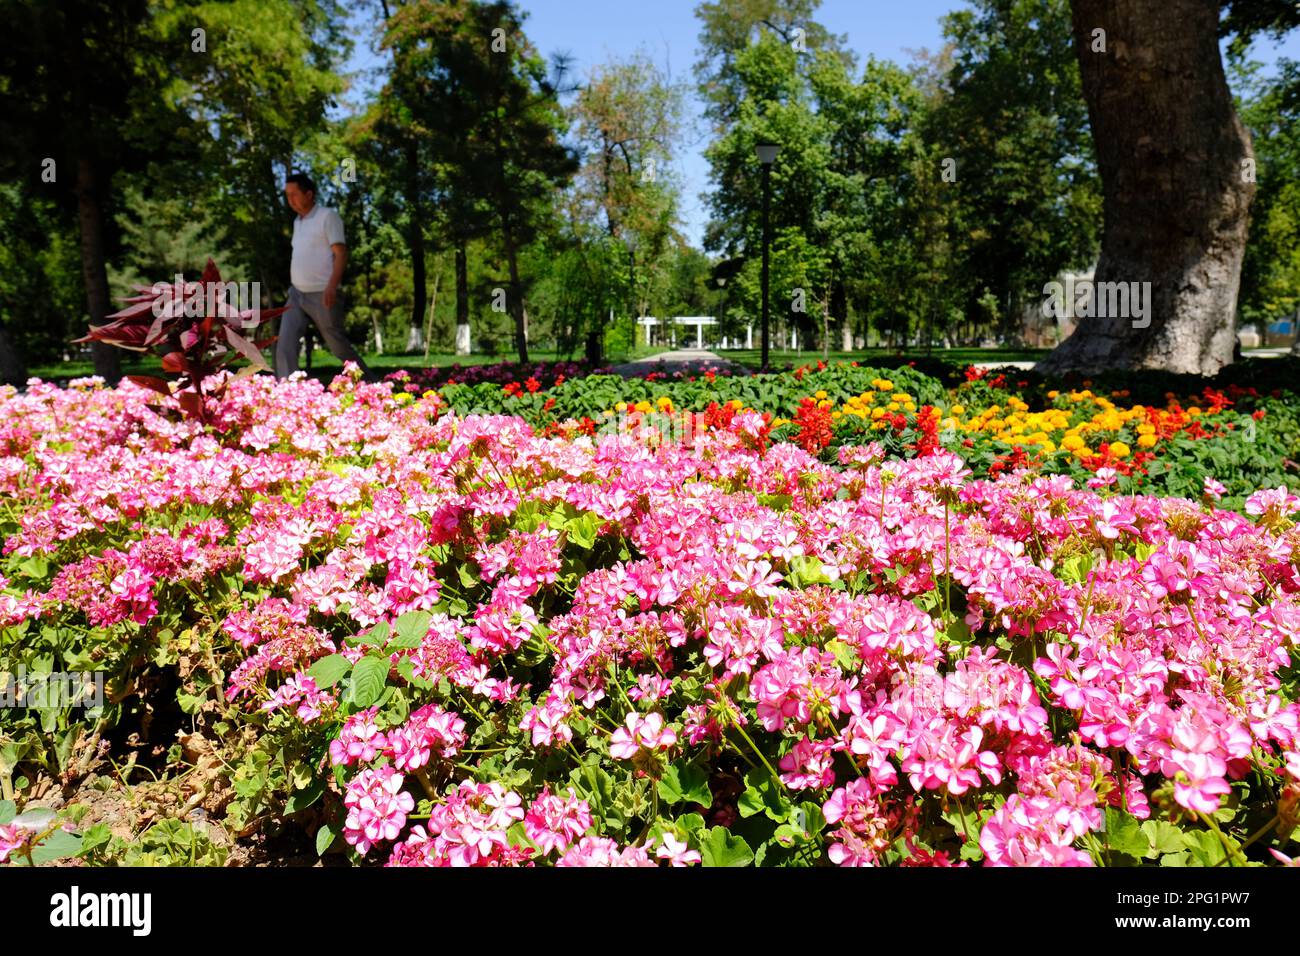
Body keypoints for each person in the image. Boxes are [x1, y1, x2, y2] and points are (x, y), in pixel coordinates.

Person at [275, 172, 372, 380]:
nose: (290, 199)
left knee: (338, 347)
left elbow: (341, 253)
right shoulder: (297, 222)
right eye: (287, 195)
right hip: (296, 294)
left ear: (309, 194)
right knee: (284, 343)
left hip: (323, 294)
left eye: (294, 194)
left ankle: (371, 384)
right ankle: (284, 393)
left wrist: (331, 287)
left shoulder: (328, 216)